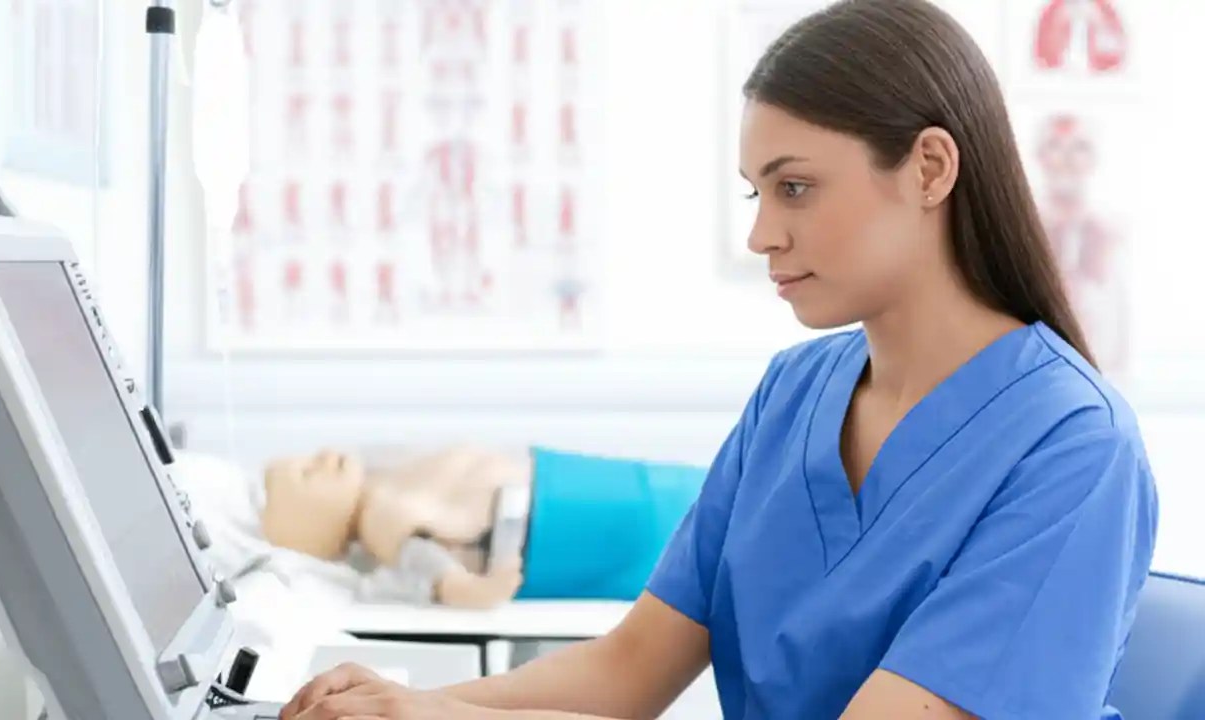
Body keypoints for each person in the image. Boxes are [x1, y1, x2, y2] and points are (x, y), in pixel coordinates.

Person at [278, 1, 1158, 718]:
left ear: (929, 168)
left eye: (795, 187)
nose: (761, 234)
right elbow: (628, 670)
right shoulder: (794, 394)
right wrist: (413, 706)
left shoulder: (1074, 448)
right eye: (756, 193)